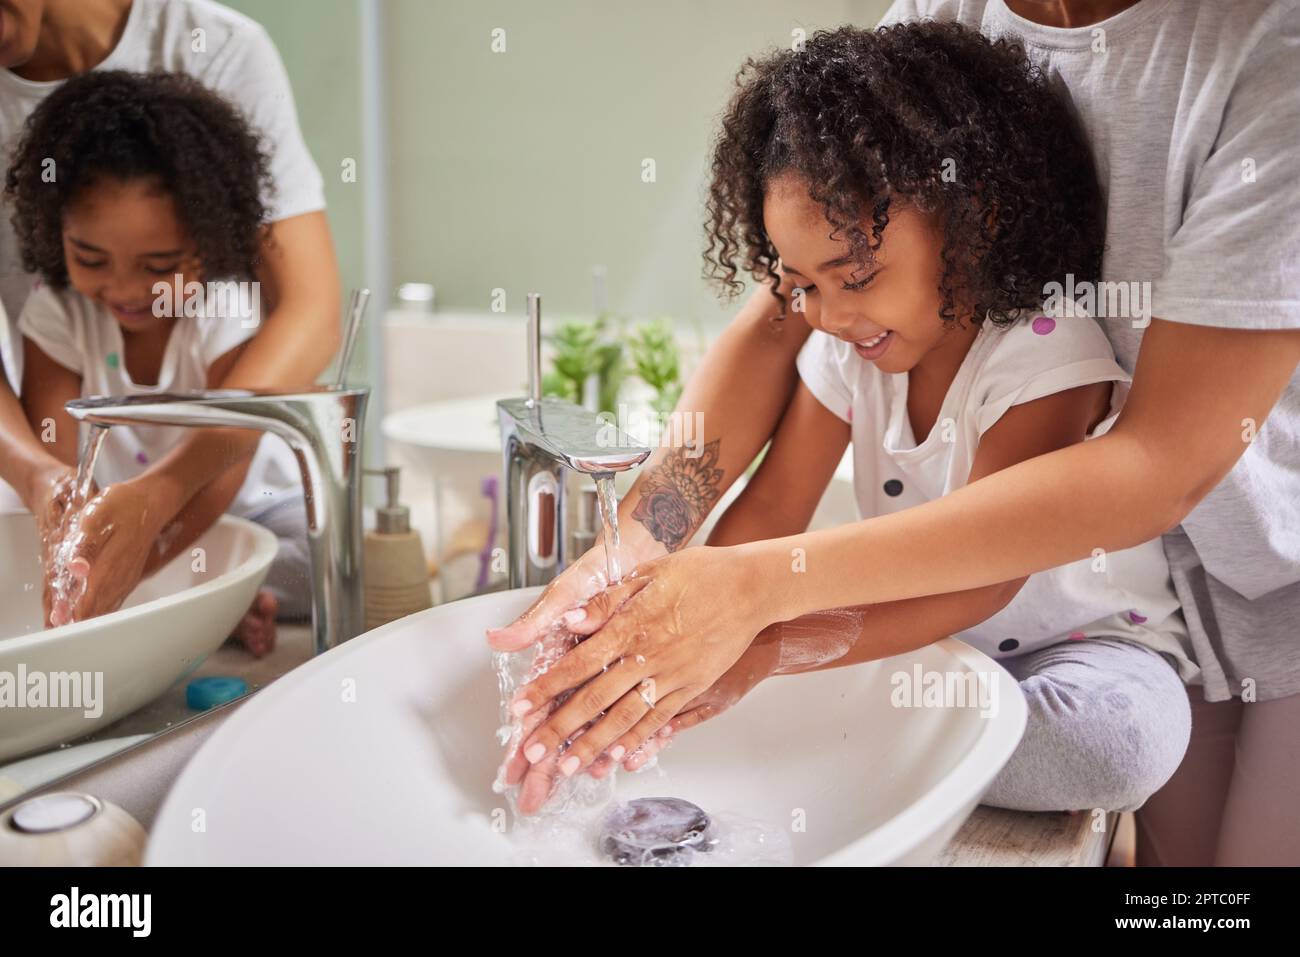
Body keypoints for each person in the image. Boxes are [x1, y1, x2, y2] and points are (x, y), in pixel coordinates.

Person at [490, 0, 1300, 865]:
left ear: (974, 221)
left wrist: (756, 629)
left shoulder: (1044, 349)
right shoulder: (856, 312)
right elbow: (774, 459)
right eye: (805, 286)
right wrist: (647, 578)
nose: (825, 314)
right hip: (985, 638)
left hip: (1230, 588)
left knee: (1149, 791)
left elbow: (1093, 506)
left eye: (855, 278)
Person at [0, 0, 340, 632]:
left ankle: (226, 599)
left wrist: (148, 567)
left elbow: (226, 459)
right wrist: (60, 508)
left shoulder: (222, 311)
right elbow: (57, 454)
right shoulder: (57, 316)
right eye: (90, 258)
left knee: (302, 571)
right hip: (128, 505)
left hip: (239, 500)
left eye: (158, 265)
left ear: (209, 246)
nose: (124, 288)